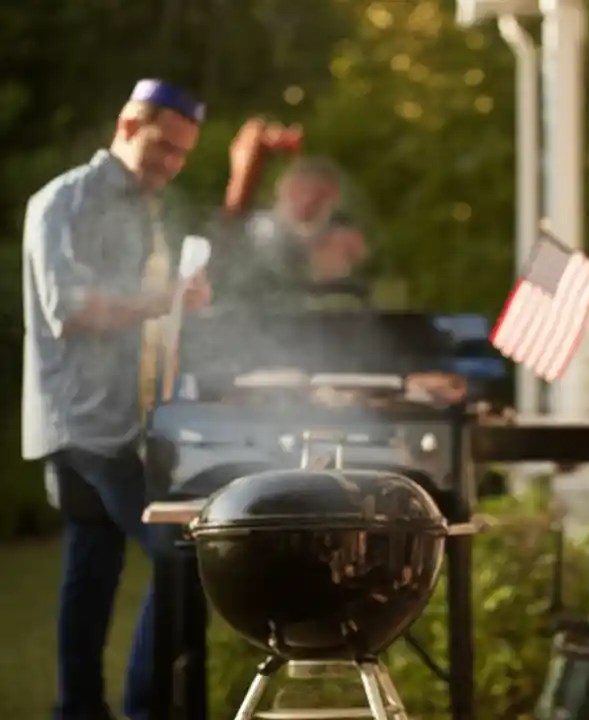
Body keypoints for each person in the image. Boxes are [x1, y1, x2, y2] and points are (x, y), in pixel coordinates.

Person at [21, 79, 214, 720]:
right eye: (164, 146)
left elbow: (148, 313)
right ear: (129, 124)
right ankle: (146, 708)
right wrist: (165, 299)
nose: (171, 164)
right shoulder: (62, 202)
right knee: (181, 552)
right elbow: (69, 310)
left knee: (92, 568)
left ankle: (77, 709)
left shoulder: (144, 212)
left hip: (123, 421)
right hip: (85, 424)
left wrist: (186, 299)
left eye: (182, 154)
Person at [213, 124, 369, 302]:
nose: (309, 200)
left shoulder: (342, 239)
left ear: (333, 198)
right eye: (302, 190)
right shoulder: (258, 231)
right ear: (284, 190)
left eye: (319, 194)